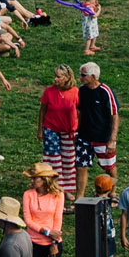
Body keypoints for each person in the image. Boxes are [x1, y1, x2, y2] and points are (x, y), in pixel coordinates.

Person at [38, 64, 80, 192]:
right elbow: (42, 111)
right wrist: (40, 129)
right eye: (55, 76)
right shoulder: (49, 91)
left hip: (69, 130)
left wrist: (77, 129)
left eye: (58, 77)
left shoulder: (75, 92)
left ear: (67, 77)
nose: (55, 79)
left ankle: (66, 189)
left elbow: (79, 111)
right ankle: (54, 186)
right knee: (53, 159)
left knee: (68, 160)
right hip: (51, 128)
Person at [78, 62, 119, 179]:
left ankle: (112, 192)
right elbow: (79, 112)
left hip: (102, 137)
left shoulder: (105, 92)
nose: (80, 78)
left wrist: (112, 139)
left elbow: (114, 115)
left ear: (93, 77)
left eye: (83, 75)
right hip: (85, 136)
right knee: (81, 167)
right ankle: (79, 195)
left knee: (109, 167)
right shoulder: (81, 91)